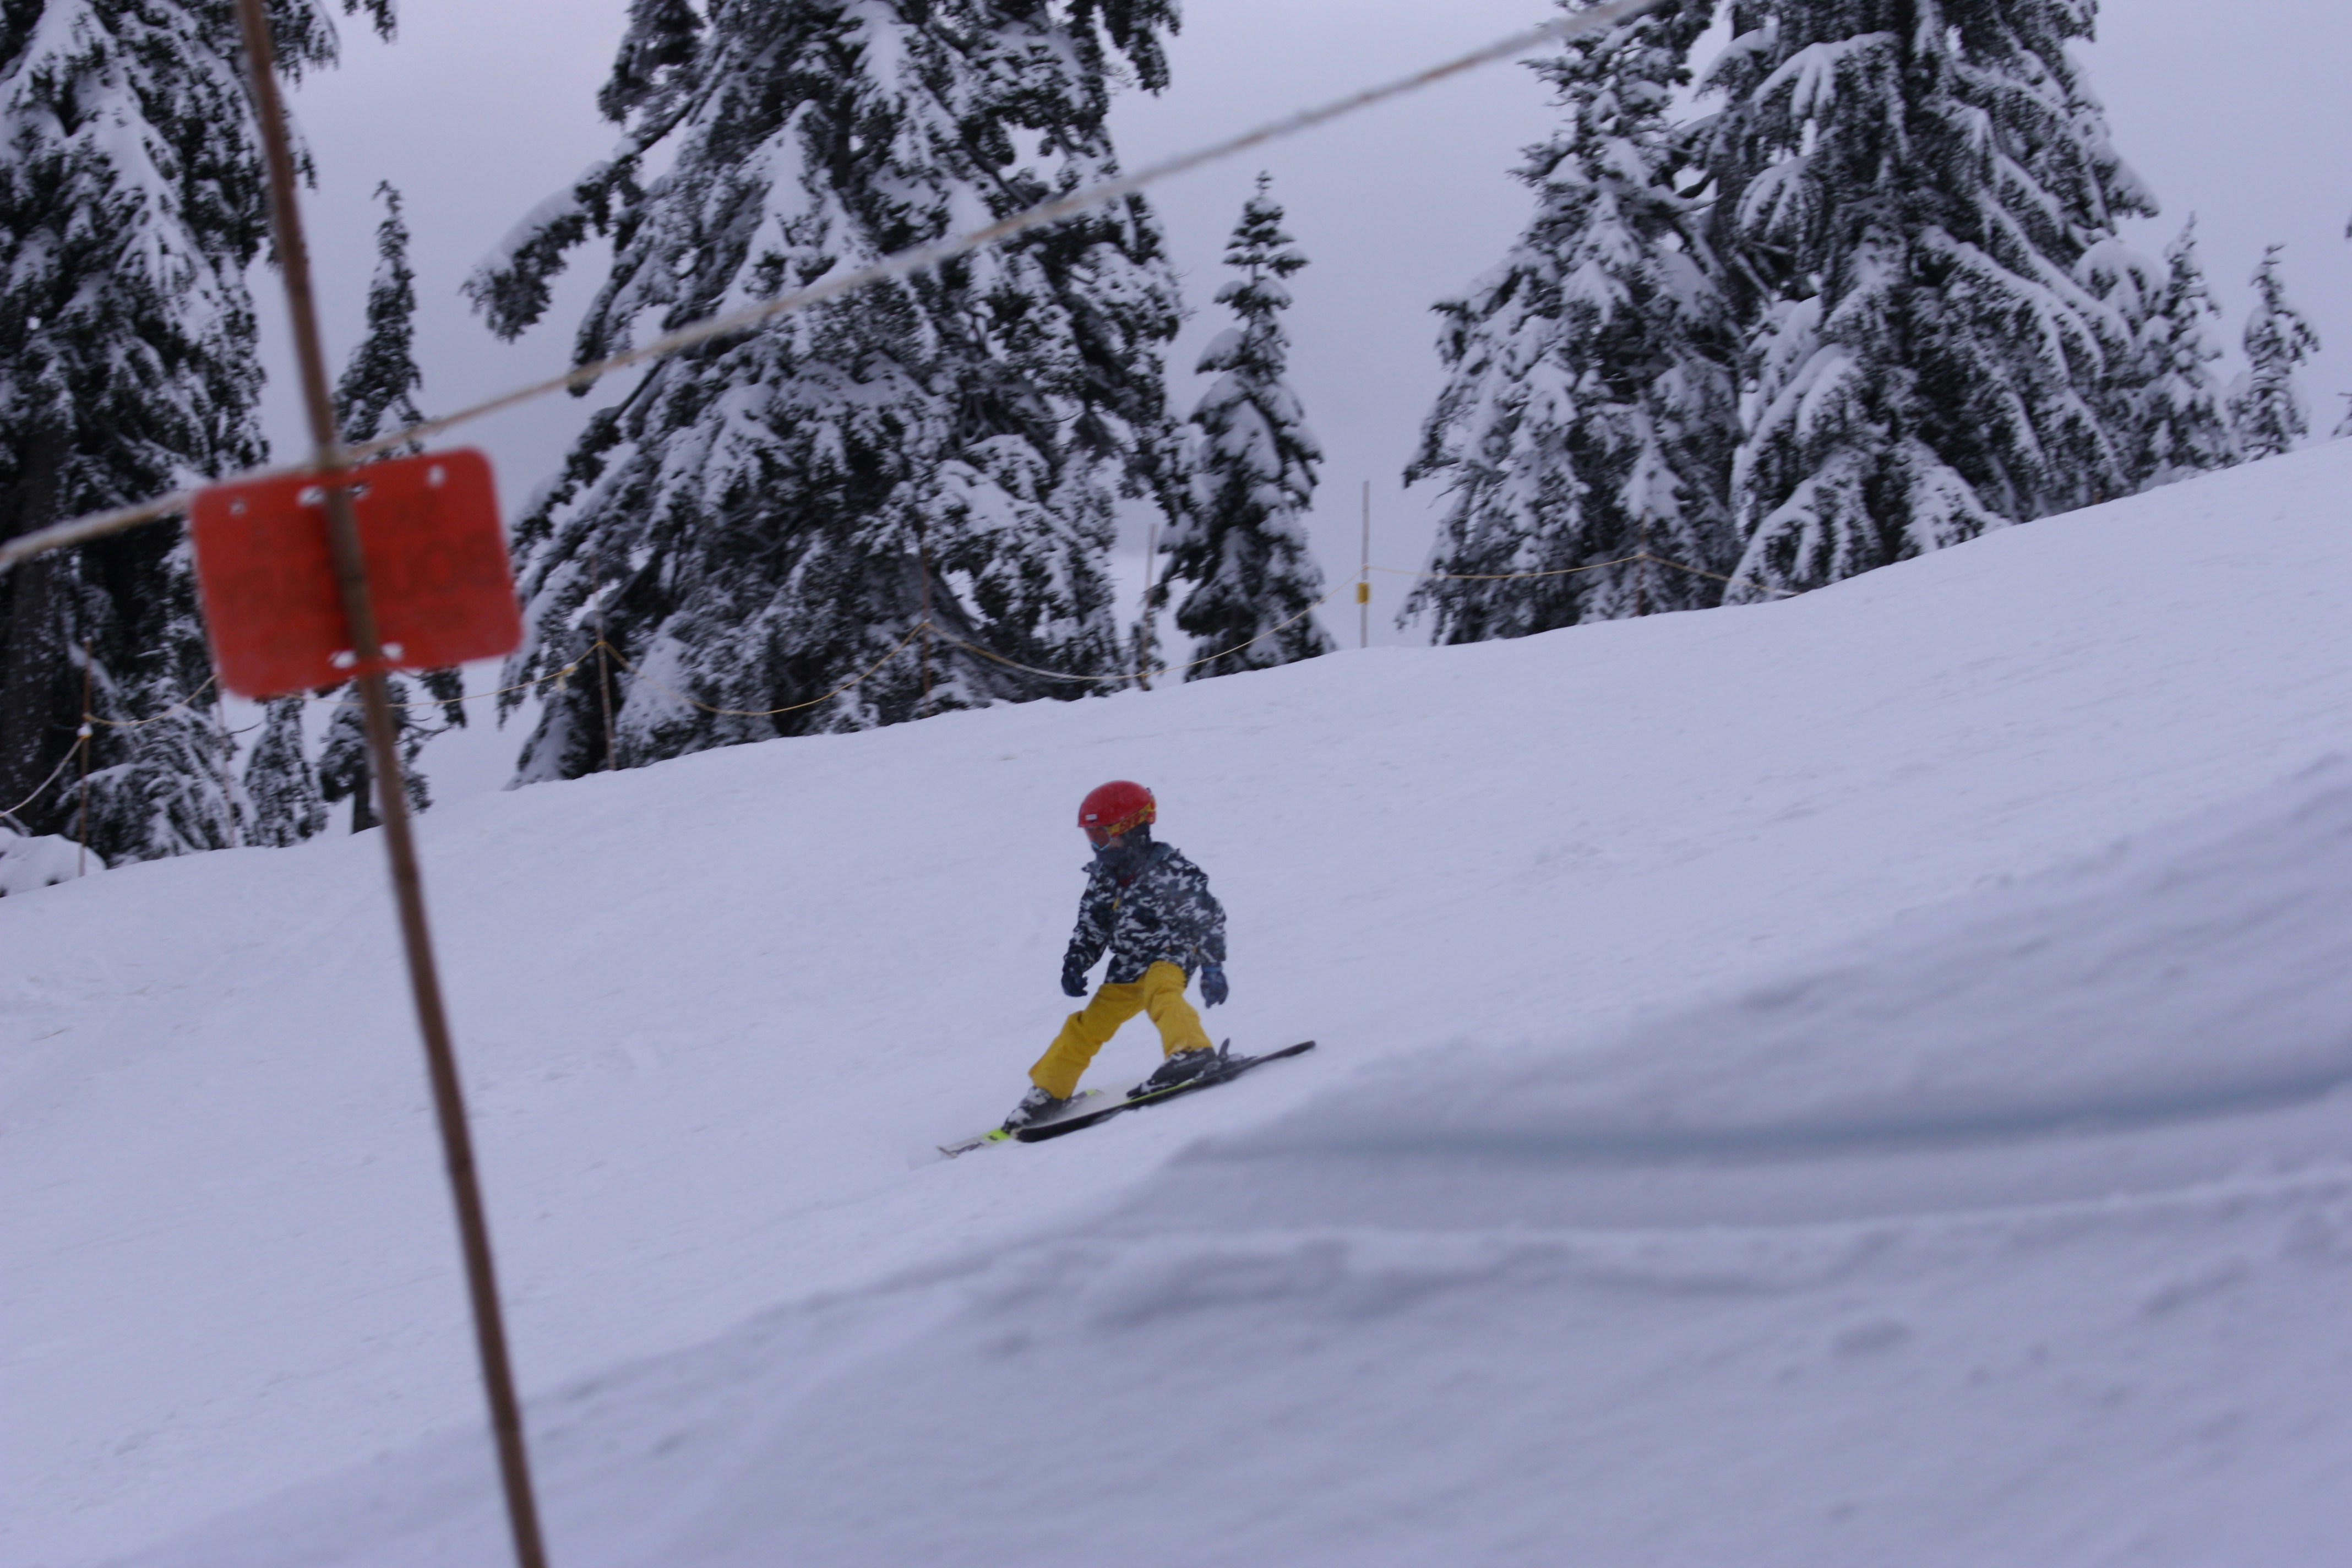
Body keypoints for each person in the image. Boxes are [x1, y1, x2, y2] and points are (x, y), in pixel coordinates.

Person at [1003, 780, 1229, 1130]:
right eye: (1091, 836)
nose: (1097, 845)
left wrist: (1212, 966)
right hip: (1127, 966)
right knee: (1086, 1026)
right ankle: (1050, 1090)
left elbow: (1206, 917)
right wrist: (1076, 961)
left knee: (1162, 995)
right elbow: (1092, 926)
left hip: (1170, 952)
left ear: (1134, 828)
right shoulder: (1104, 878)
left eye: (1103, 835)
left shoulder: (1171, 871)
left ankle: (1191, 1053)